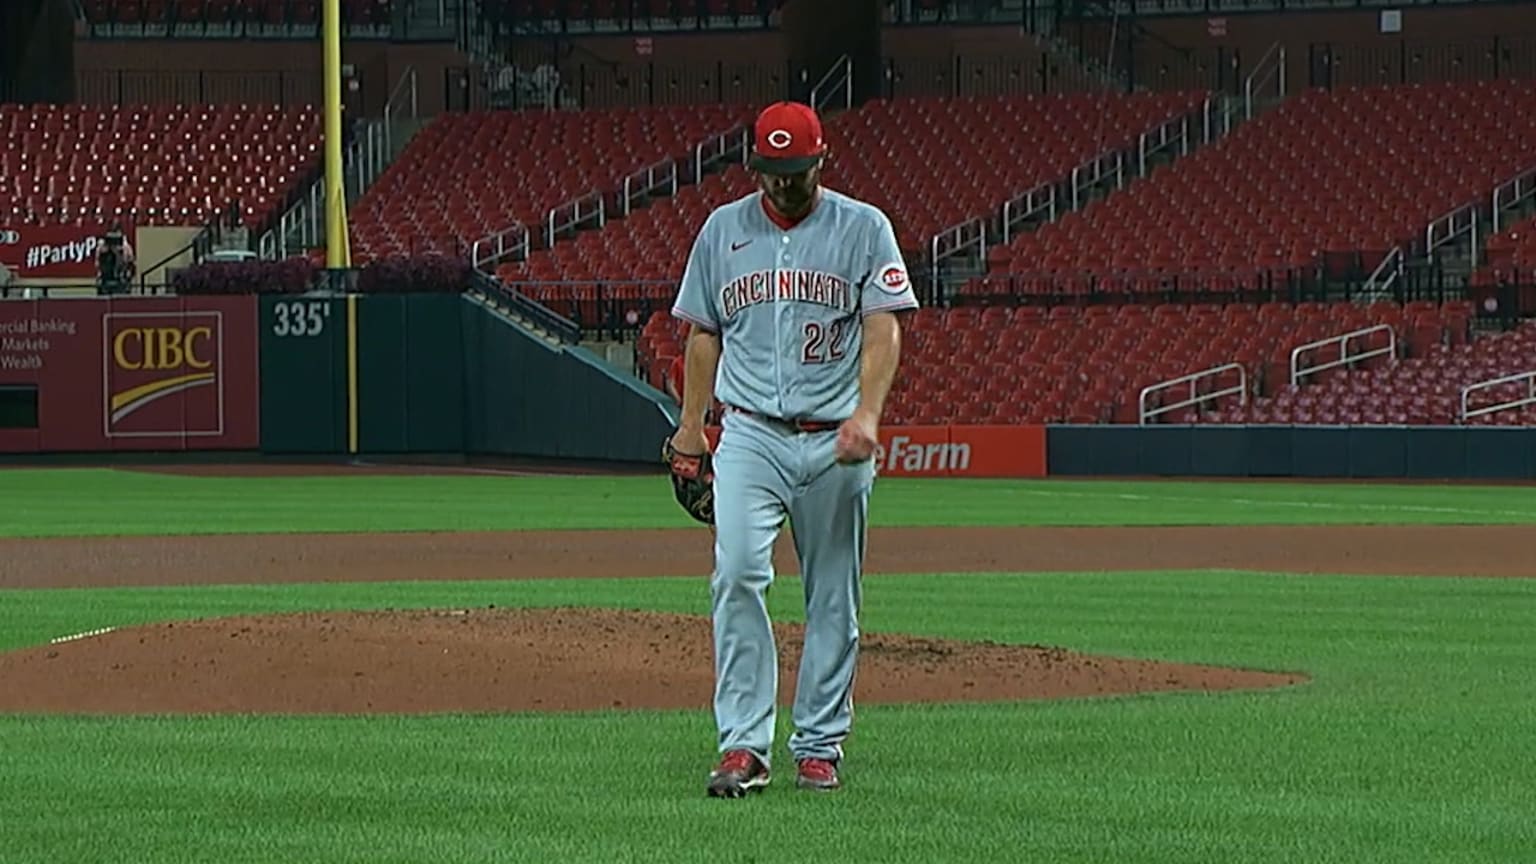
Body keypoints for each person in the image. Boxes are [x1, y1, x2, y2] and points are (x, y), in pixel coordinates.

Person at [666, 100, 918, 798]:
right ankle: (743, 746)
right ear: (755, 166)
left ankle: (819, 744)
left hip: (834, 436)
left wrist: (868, 412)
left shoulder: (863, 228)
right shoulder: (723, 231)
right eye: (772, 172)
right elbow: (703, 332)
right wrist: (693, 427)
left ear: (821, 160)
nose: (783, 184)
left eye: (796, 170)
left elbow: (884, 327)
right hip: (748, 433)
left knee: (832, 594)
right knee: (739, 574)